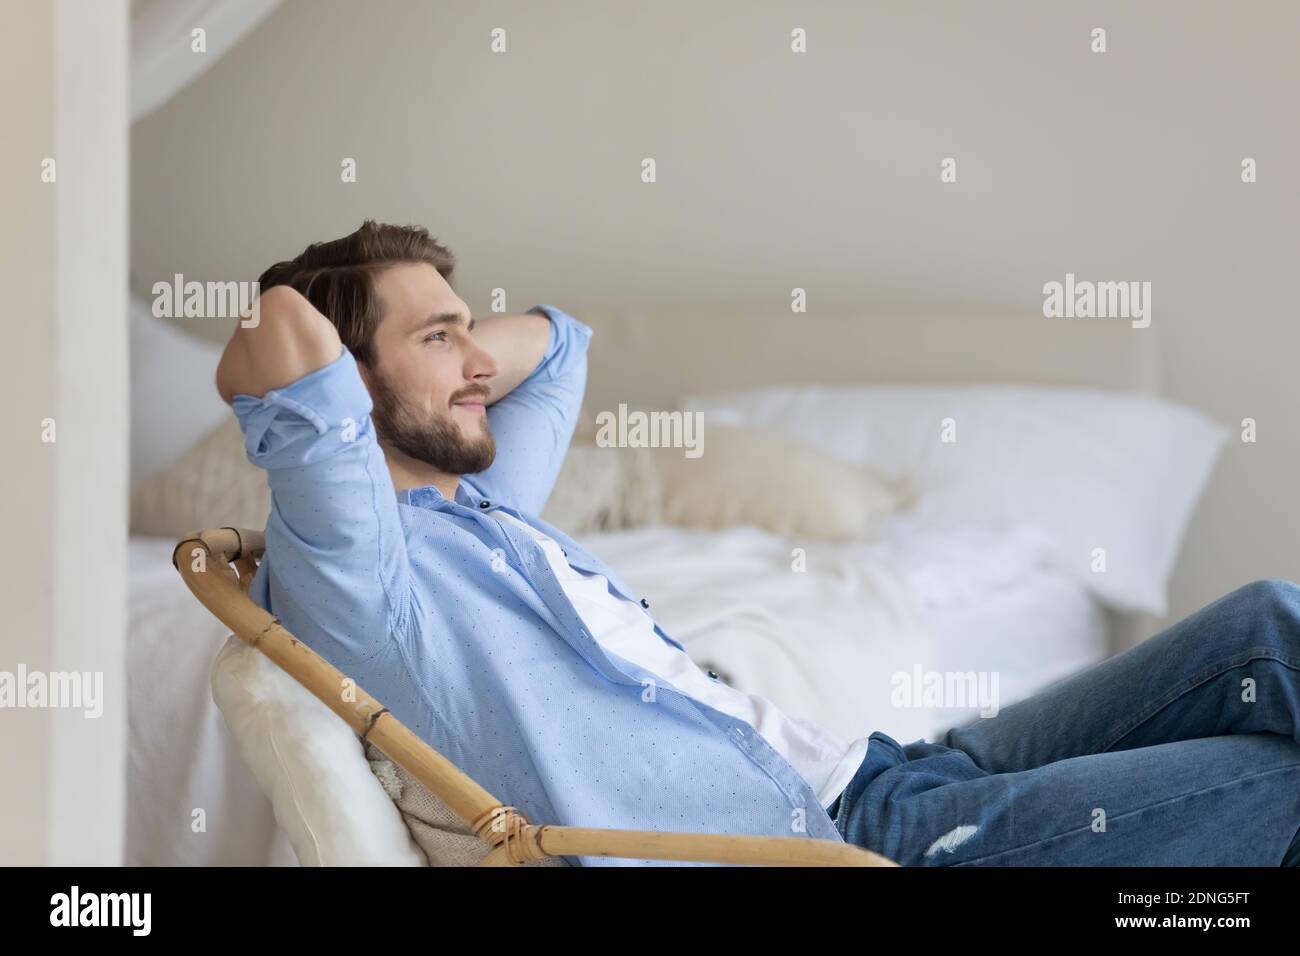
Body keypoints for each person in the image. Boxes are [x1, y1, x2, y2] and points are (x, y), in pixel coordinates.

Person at [216, 220, 1300, 866]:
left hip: (888, 766)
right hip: (846, 844)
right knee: (1277, 781)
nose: (479, 360)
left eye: (467, 328)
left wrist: (425, 346)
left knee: (1265, 616)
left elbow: (563, 342)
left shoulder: (485, 505)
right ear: (344, 389)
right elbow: (284, 331)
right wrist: (357, 362)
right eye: (440, 335)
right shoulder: (363, 577)